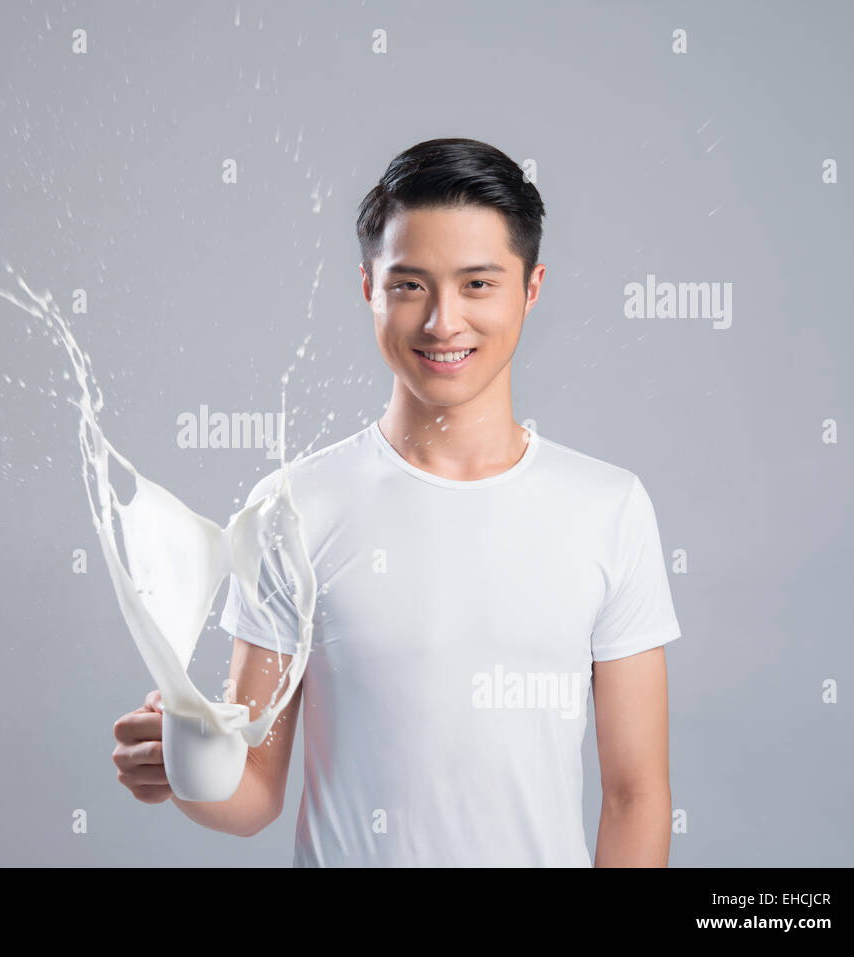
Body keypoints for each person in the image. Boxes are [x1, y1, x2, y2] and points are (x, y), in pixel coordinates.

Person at [113, 137, 681, 866]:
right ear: (367, 287)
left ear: (531, 287)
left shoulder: (609, 508)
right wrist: (184, 762)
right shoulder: (292, 507)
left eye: (478, 284)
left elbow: (636, 794)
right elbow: (253, 787)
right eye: (410, 285)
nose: (444, 322)